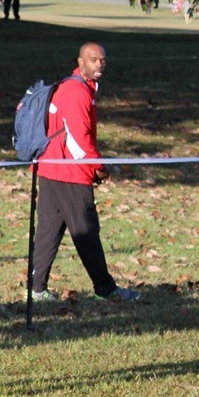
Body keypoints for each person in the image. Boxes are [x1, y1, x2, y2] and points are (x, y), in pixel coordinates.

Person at [30, 43, 139, 303]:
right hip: (69, 173)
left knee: (49, 230)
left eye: (103, 60)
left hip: (51, 168)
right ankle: (105, 288)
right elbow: (79, 140)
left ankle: (36, 289)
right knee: (86, 231)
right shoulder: (76, 91)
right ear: (80, 62)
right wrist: (98, 168)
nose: (99, 64)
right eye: (93, 60)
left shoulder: (75, 87)